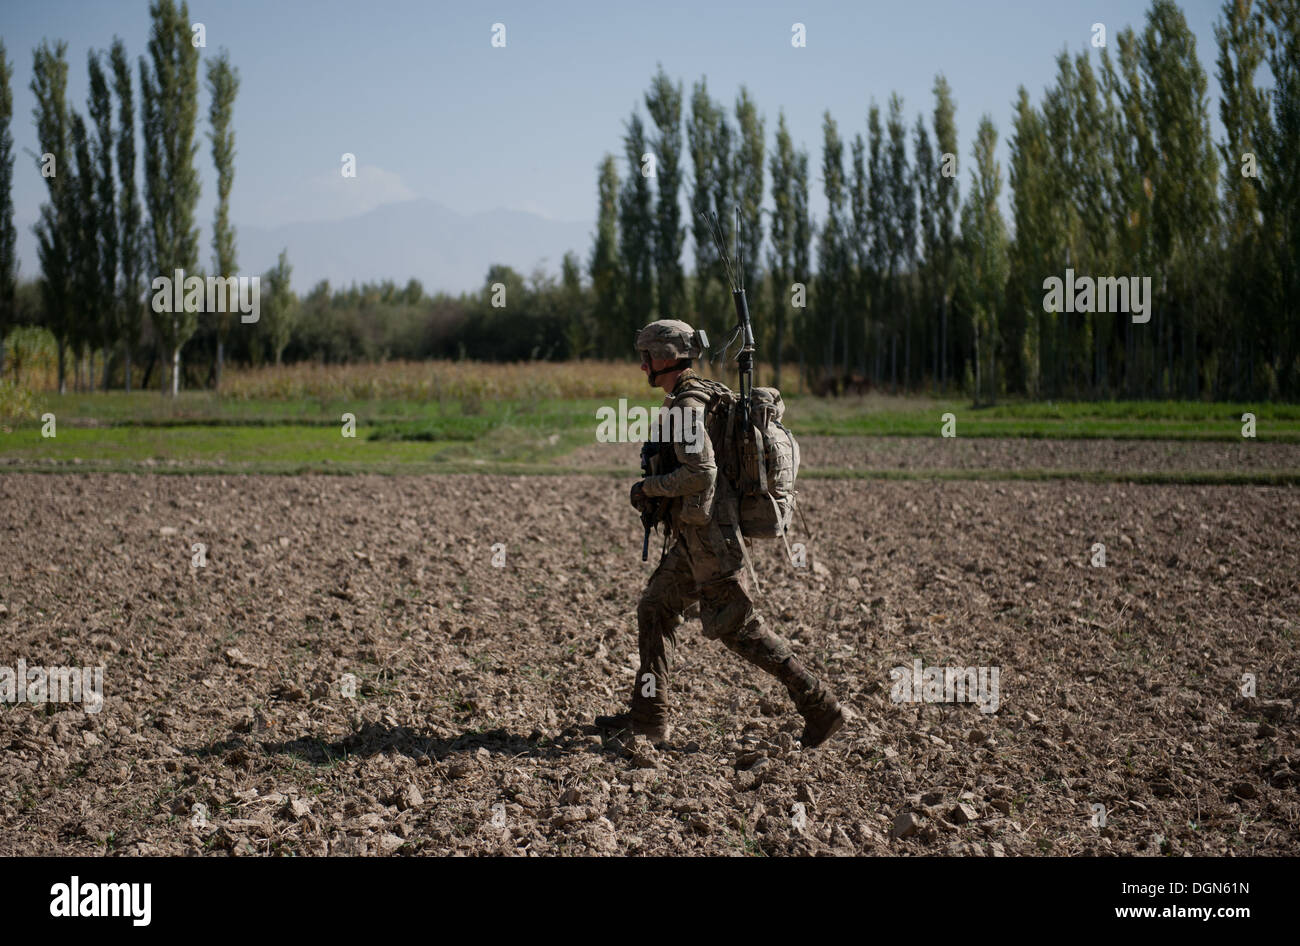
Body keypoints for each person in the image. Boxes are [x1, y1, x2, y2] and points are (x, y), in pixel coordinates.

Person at [594, 319, 846, 749]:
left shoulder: (687, 408)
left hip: (710, 542)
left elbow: (701, 473)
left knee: (741, 630)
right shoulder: (704, 394)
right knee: (655, 606)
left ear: (667, 358)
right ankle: (648, 716)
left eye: (648, 357)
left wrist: (647, 489)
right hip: (698, 539)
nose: (642, 367)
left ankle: (820, 704)